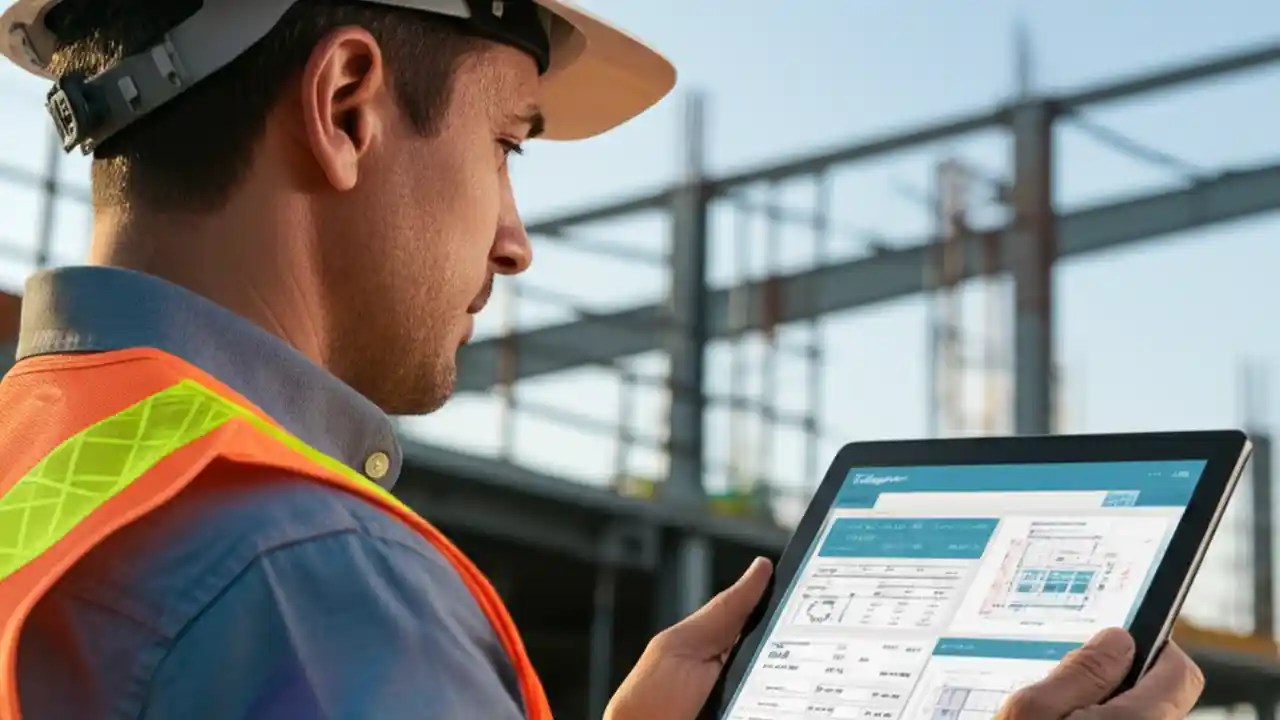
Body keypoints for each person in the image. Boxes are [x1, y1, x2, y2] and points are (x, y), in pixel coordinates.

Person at [0, 0, 1206, 718]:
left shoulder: (47, 453)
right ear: (348, 104)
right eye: (507, 144)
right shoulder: (314, 574)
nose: (515, 242)